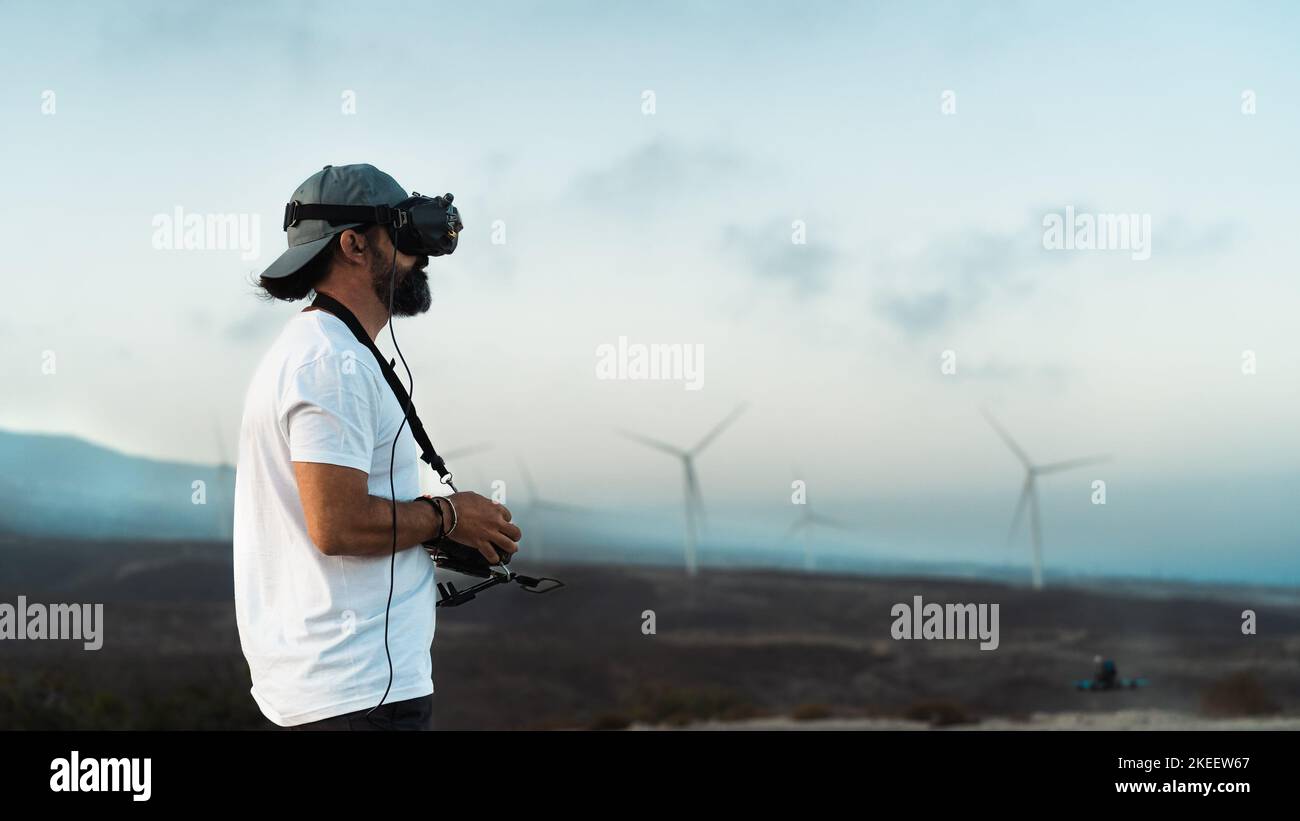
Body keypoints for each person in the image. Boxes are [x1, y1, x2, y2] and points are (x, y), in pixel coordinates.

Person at [232, 164, 521, 730]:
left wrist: (427, 528)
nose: (423, 258)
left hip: (334, 687)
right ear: (354, 245)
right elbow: (338, 525)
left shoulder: (321, 350)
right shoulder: (330, 363)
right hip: (358, 690)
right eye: (405, 238)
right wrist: (449, 517)